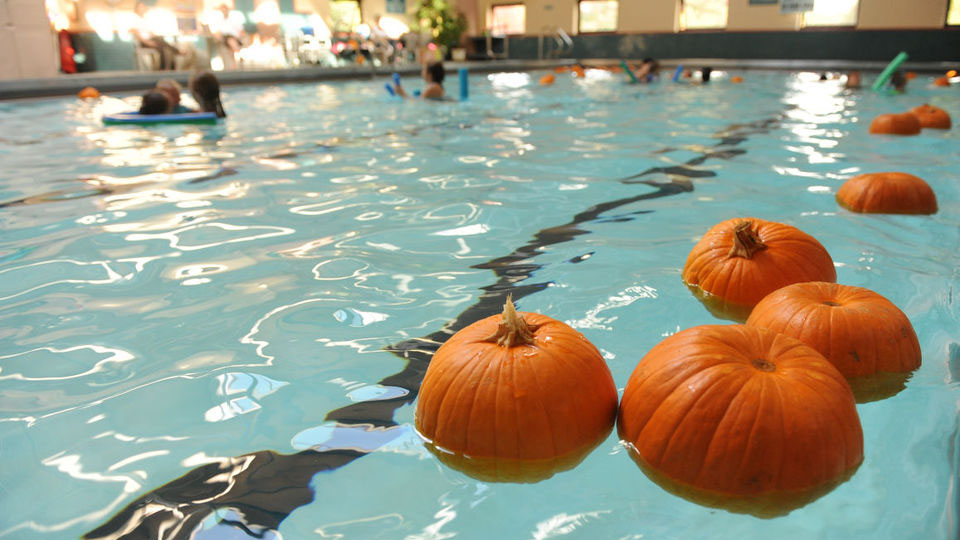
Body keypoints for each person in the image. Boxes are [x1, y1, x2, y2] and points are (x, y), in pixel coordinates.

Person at [132, 1, 178, 70]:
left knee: (162, 45)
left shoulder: (144, 19)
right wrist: (148, 43)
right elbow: (138, 35)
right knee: (162, 43)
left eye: (143, 7)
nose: (142, 8)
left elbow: (150, 33)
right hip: (144, 42)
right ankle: (176, 51)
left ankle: (168, 67)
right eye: (140, 7)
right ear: (136, 9)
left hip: (151, 39)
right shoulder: (135, 19)